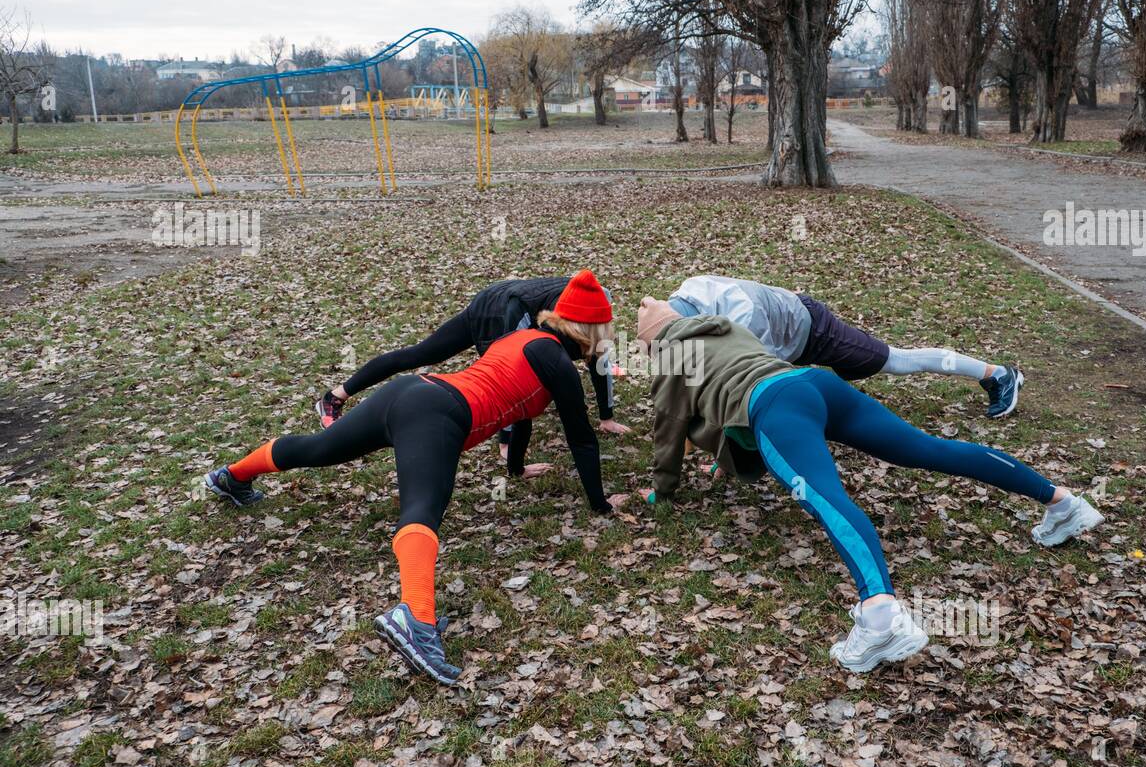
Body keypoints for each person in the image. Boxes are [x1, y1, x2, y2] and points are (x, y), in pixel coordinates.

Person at [636, 297, 1103, 674]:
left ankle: (880, 617)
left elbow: (669, 432)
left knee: (826, 499)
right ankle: (1063, 502)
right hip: (814, 384)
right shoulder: (722, 326)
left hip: (774, 408)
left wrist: (663, 491)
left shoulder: (671, 357)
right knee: (928, 448)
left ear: (654, 343)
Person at [206, 273, 628, 685]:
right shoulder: (558, 364)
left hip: (411, 391)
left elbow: (518, 408)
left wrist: (515, 469)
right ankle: (415, 618)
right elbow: (582, 439)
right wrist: (601, 503)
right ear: (589, 331)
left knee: (317, 448)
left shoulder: (518, 339)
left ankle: (231, 476)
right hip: (438, 414)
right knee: (423, 509)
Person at [315, 273, 631, 456]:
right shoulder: (546, 316)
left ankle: (336, 395)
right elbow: (509, 382)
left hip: (501, 295)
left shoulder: (593, 315)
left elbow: (599, 360)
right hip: (497, 308)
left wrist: (606, 417)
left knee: (423, 354)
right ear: (579, 320)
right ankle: (335, 396)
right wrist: (507, 444)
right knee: (423, 354)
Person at [664, 275, 1024, 418]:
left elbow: (767, 376)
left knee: (895, 361)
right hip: (791, 333)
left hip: (815, 331)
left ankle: (998, 374)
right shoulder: (685, 297)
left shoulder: (743, 315)